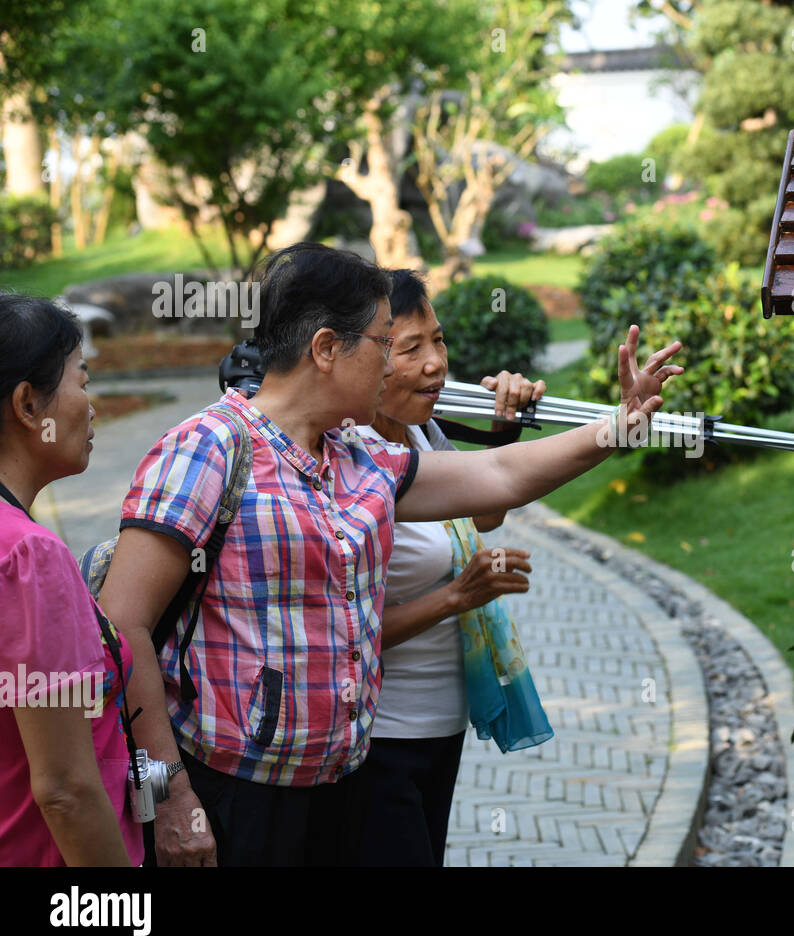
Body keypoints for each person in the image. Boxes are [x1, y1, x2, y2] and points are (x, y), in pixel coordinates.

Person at [96, 242, 682, 866]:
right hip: (234, 794)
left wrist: (617, 427)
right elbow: (121, 623)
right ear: (325, 349)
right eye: (384, 343)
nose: (401, 364)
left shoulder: (357, 455)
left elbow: (502, 476)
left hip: (342, 787)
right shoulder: (207, 449)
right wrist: (170, 793)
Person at [354, 269, 542, 866]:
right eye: (411, 348)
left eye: (438, 340)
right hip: (374, 744)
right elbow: (336, 636)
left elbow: (485, 512)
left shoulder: (420, 432)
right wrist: (457, 596)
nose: (436, 362)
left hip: (440, 727)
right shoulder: (346, 463)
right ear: (362, 360)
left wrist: (505, 428)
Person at [0, 293, 143, 866]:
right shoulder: (28, 557)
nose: (93, 404)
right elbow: (64, 790)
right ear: (29, 406)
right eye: (82, 380)